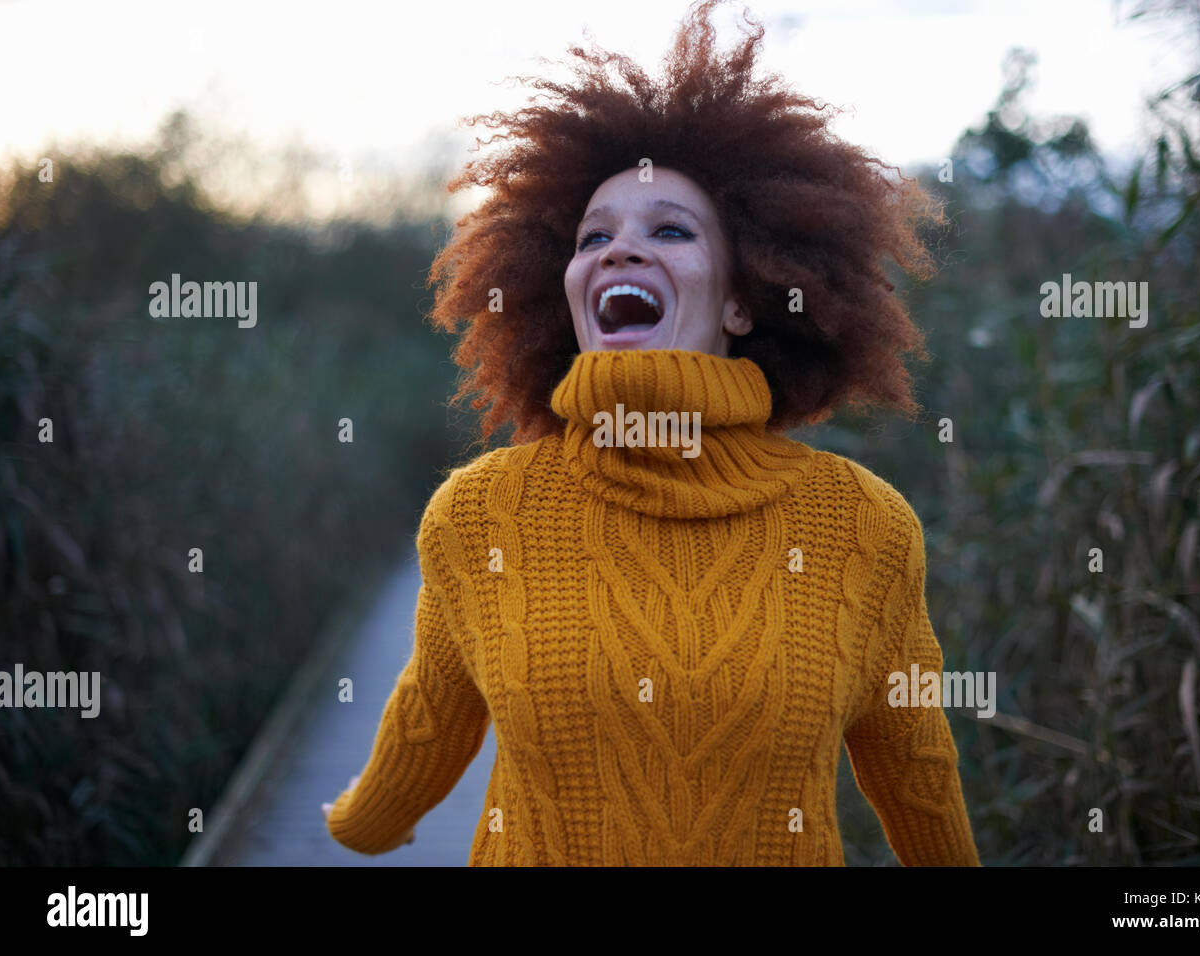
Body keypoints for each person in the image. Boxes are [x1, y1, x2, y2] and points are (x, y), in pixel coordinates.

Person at [323, 0, 979, 866]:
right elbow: (431, 710)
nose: (619, 250)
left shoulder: (862, 524)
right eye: (595, 235)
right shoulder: (482, 515)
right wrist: (359, 822)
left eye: (669, 230)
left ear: (745, 300)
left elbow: (915, 762)